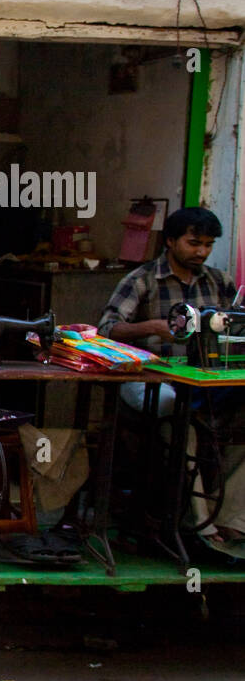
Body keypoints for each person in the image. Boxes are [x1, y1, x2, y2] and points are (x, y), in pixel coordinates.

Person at [98, 206, 244, 550]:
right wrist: (152, 328)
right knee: (177, 415)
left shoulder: (219, 281)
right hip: (149, 379)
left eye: (208, 245)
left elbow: (234, 327)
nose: (201, 252)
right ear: (170, 241)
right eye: (194, 243)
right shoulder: (141, 280)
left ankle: (232, 518)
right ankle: (198, 524)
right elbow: (104, 330)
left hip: (204, 383)